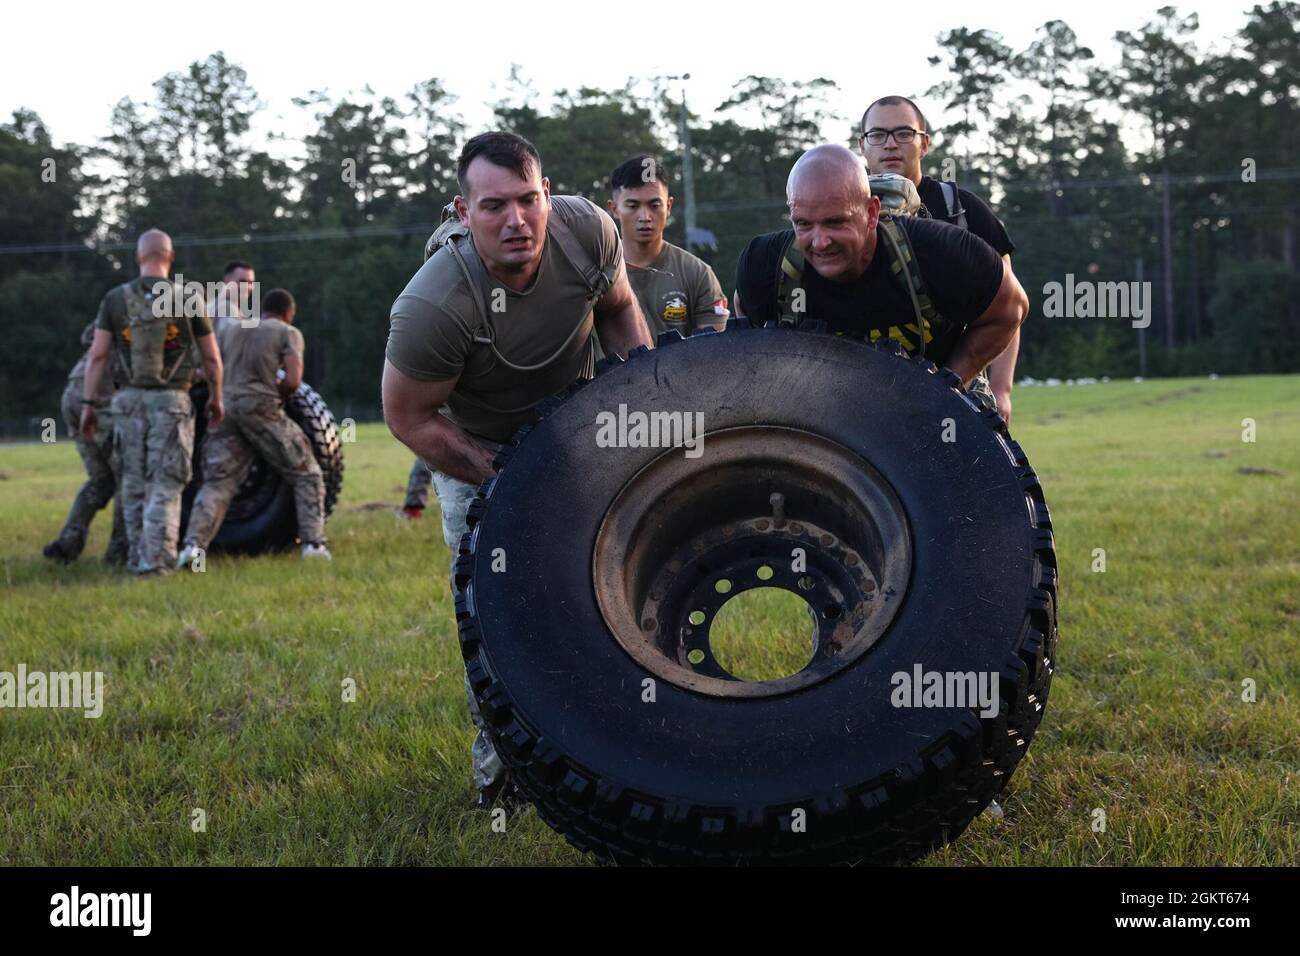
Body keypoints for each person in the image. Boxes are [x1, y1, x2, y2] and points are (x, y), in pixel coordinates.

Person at [382, 131, 653, 807]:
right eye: (494, 206)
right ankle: (505, 778)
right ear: (463, 210)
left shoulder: (589, 231)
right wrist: (504, 478)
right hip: (477, 448)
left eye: (528, 200)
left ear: (548, 195)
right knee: (499, 614)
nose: (516, 221)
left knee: (606, 590)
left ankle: (628, 748)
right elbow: (409, 416)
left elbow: (619, 310)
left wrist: (645, 404)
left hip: (578, 432)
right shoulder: (433, 304)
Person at [734, 144, 1027, 392]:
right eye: (804, 224)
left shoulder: (938, 252)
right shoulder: (766, 267)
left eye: (836, 222)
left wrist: (946, 386)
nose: (820, 242)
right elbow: (745, 314)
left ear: (872, 213)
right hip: (824, 404)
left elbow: (1011, 307)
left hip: (929, 396)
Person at [859, 95, 1021, 422]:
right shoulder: (841, 212)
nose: (890, 144)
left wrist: (1002, 389)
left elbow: (1008, 304)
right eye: (877, 135)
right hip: (862, 386)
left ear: (924, 144)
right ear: (862, 145)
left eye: (904, 133)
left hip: (958, 382)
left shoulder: (961, 209)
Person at [80, 229, 224, 577]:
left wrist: (88, 404)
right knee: (166, 482)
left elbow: (97, 356)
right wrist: (217, 398)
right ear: (170, 256)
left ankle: (135, 560)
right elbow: (212, 358)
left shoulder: (115, 299)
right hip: (172, 403)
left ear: (138, 257)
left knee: (132, 481)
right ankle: (156, 563)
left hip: (126, 402)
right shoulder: (189, 297)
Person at [178, 289, 330, 567]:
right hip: (261, 408)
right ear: (289, 312)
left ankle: (192, 550)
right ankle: (313, 545)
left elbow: (209, 365)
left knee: (218, 483)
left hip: (225, 407)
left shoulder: (232, 329)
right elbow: (294, 380)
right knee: (307, 473)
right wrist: (280, 397)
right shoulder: (287, 332)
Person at [607, 155, 728, 336]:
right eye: (633, 206)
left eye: (654, 205)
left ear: (669, 206)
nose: (645, 216)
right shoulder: (597, 274)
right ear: (614, 209)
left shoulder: (697, 273)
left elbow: (711, 352)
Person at [42, 322, 128, 564]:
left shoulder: (112, 307)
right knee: (128, 477)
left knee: (101, 480)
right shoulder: (143, 313)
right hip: (100, 399)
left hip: (74, 393)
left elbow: (88, 337)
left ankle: (68, 543)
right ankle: (119, 552)